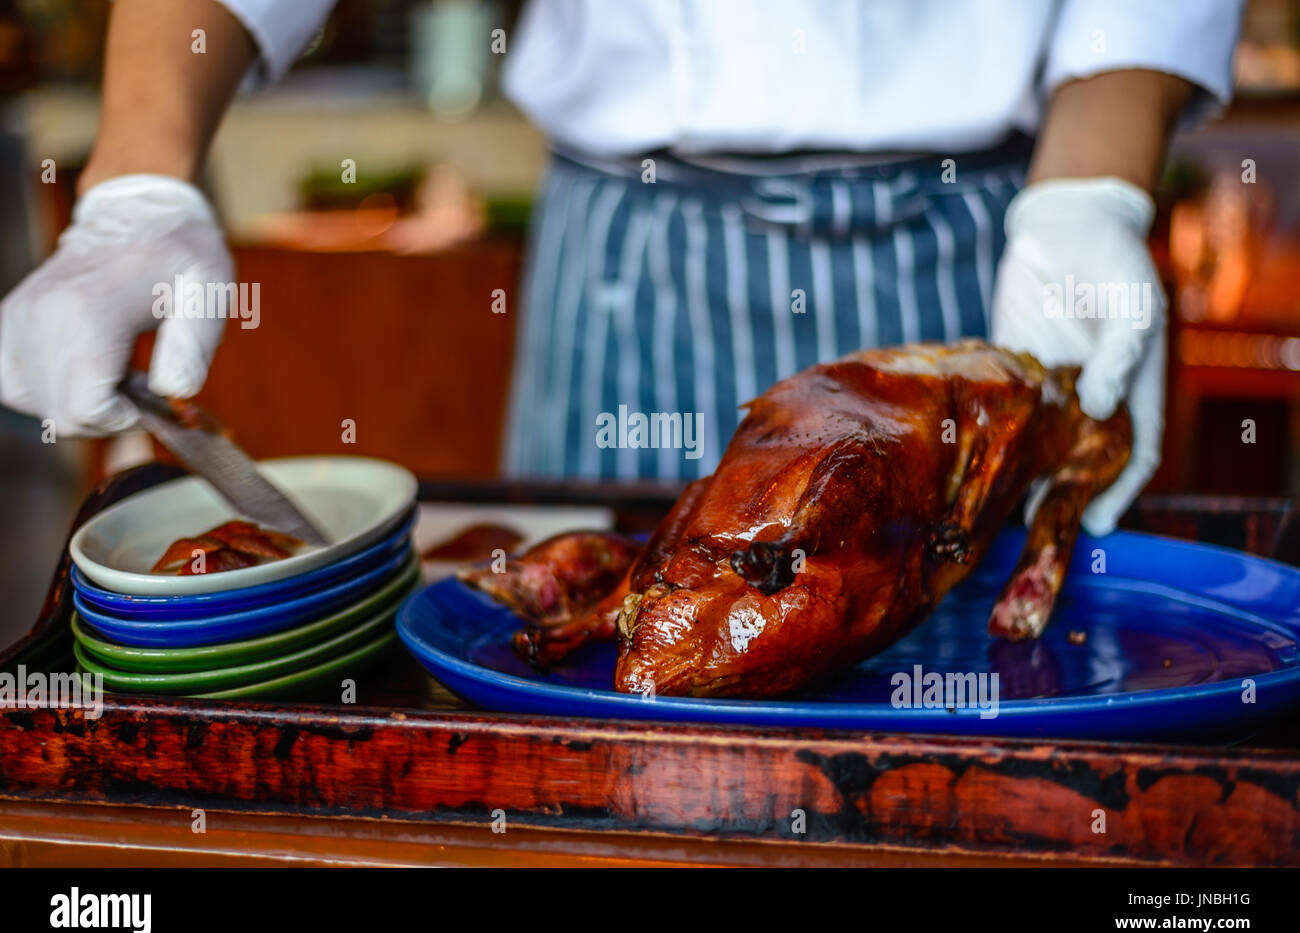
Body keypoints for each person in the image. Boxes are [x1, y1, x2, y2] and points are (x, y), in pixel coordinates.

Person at [0, 0, 1243, 536]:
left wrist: (1090, 191)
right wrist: (140, 181)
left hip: (975, 240)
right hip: (631, 249)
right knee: (594, 725)